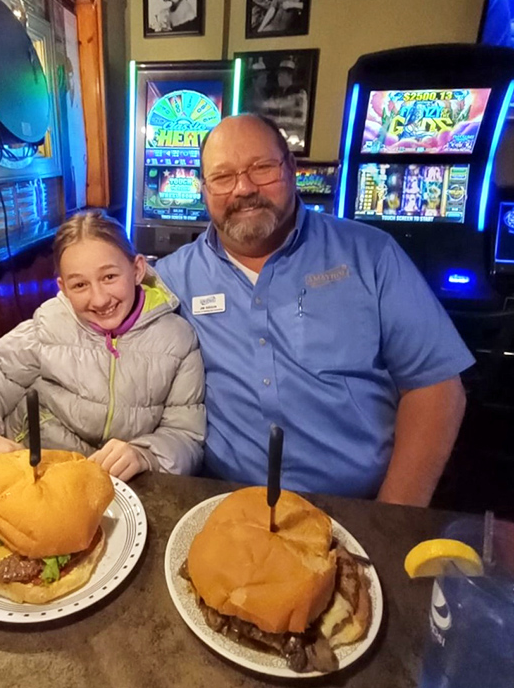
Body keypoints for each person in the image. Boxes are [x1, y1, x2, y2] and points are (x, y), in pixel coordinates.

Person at [156, 114, 473, 506]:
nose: (244, 188)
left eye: (262, 167)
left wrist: (392, 517)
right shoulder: (170, 278)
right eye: (223, 177)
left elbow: (436, 387)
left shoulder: (371, 254)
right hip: (225, 499)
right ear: (203, 189)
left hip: (359, 505)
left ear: (290, 168)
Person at [0, 210, 205, 481]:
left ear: (136, 270)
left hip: (121, 489)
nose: (98, 299)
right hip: (37, 476)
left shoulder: (178, 340)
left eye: (109, 277)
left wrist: (145, 454)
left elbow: (185, 435)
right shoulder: (48, 325)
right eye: (80, 285)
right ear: (63, 287)